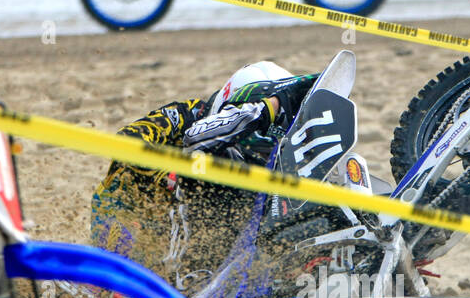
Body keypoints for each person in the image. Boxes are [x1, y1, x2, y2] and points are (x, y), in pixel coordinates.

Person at [91, 62, 316, 279]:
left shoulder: (259, 158)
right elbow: (127, 142)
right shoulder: (188, 114)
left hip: (202, 245)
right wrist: (168, 173)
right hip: (134, 218)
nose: (262, 136)